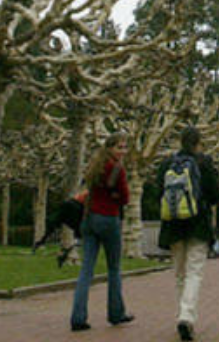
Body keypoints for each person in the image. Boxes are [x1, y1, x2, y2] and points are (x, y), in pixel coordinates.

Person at [155, 125, 219, 341]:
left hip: (174, 225)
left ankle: (183, 313)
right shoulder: (204, 162)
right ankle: (186, 316)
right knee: (195, 271)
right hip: (198, 223)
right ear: (198, 143)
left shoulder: (166, 164)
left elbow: (158, 193)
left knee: (180, 272)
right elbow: (215, 193)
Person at [70, 133, 134, 332]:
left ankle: (78, 317)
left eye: (124, 147)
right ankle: (116, 313)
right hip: (108, 218)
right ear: (111, 148)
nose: (123, 151)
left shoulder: (94, 167)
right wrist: (114, 195)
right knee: (114, 268)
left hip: (89, 219)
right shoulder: (117, 169)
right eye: (120, 147)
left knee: (86, 270)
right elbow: (125, 198)